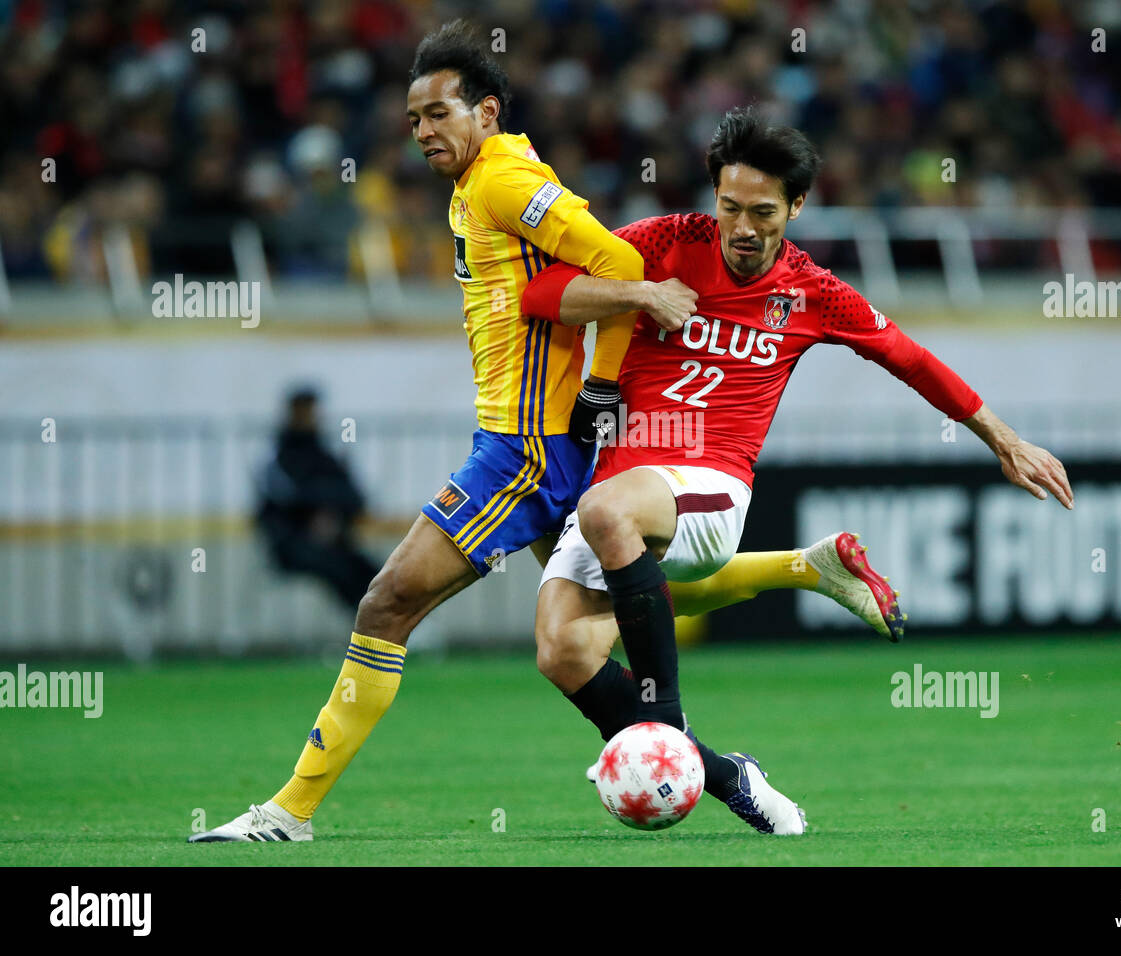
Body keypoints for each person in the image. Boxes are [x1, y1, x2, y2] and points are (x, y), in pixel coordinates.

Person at [191, 25, 894, 843]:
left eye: (439, 112)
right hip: (534, 442)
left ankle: (289, 813)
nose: (422, 130)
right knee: (579, 642)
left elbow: (618, 265)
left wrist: (602, 380)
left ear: (485, 111)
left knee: (387, 602)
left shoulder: (506, 179)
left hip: (525, 448)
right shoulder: (478, 183)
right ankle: (735, 759)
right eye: (413, 117)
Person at [524, 107, 1075, 833]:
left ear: (796, 207)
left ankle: (664, 724)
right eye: (729, 208)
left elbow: (909, 359)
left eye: (761, 211)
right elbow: (538, 295)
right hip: (628, 487)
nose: (742, 227)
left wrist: (1003, 440)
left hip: (711, 489)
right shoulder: (658, 245)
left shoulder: (813, 292)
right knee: (561, 652)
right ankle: (728, 777)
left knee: (603, 513)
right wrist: (636, 294)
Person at [255, 386, 379, 609]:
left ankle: (388, 627)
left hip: (333, 541)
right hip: (292, 543)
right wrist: (318, 513)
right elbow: (284, 498)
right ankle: (369, 627)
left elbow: (355, 496)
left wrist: (330, 514)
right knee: (340, 568)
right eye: (304, 411)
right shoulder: (277, 457)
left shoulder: (325, 452)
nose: (310, 417)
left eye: (312, 410)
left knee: (373, 572)